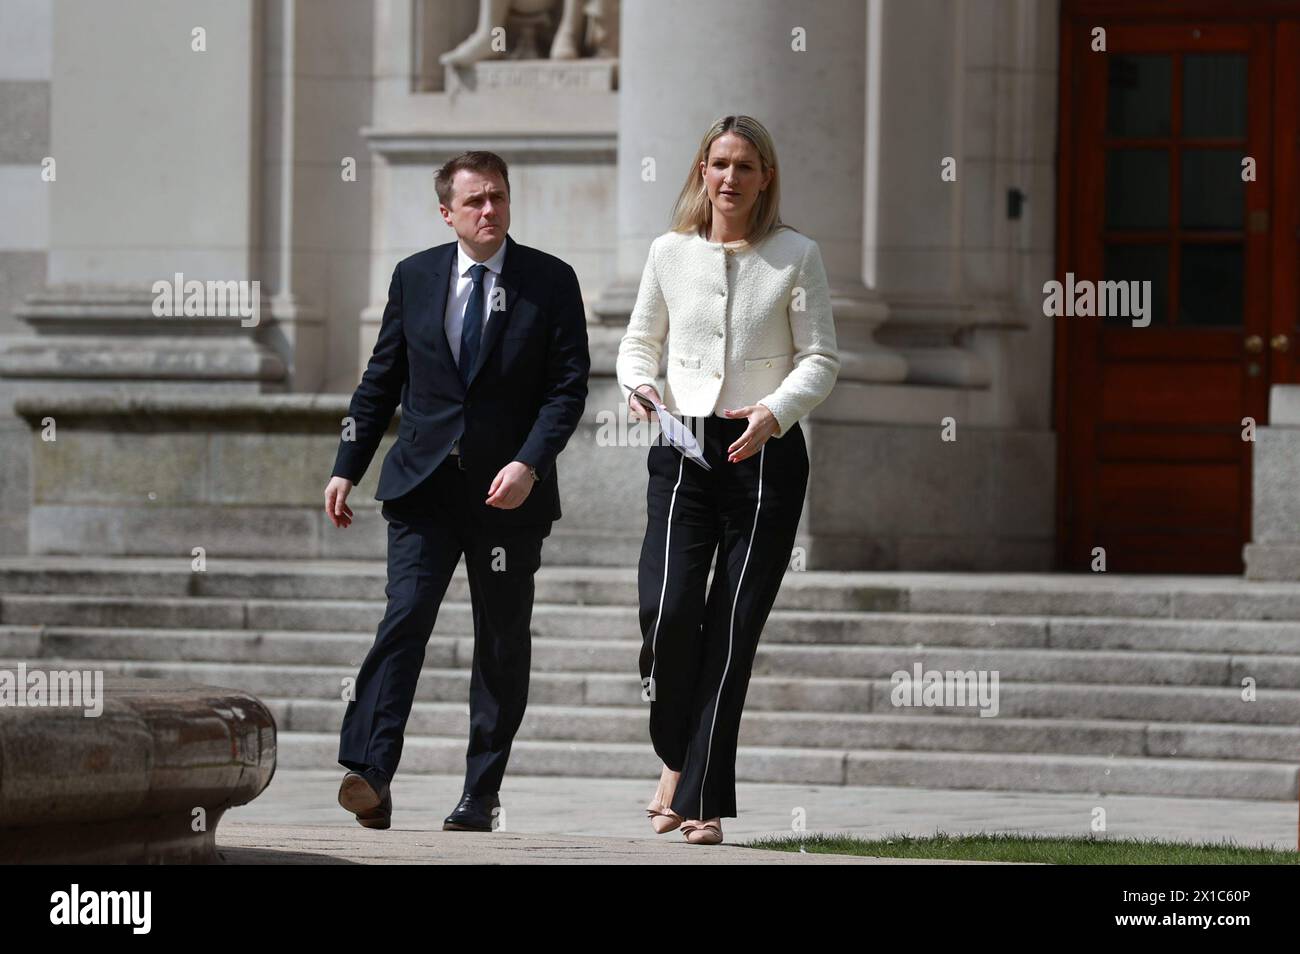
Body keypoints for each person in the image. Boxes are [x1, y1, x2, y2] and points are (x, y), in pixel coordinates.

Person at [324, 150, 590, 832]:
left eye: (498, 197)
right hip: (423, 487)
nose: (489, 211)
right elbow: (382, 378)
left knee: (499, 640)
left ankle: (481, 792)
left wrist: (530, 463)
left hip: (510, 496)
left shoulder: (550, 281)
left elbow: (567, 389)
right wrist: (346, 464)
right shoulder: (414, 277)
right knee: (404, 620)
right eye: (474, 201)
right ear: (447, 212)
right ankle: (370, 771)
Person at [616, 115, 839, 845]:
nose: (731, 177)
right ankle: (679, 758)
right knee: (670, 610)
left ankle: (703, 798)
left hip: (765, 457)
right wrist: (639, 387)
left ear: (765, 176)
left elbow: (820, 357)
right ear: (701, 172)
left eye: (746, 165)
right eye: (719, 163)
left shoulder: (796, 255)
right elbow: (639, 343)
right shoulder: (668, 252)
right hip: (683, 451)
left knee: (734, 631)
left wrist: (777, 412)